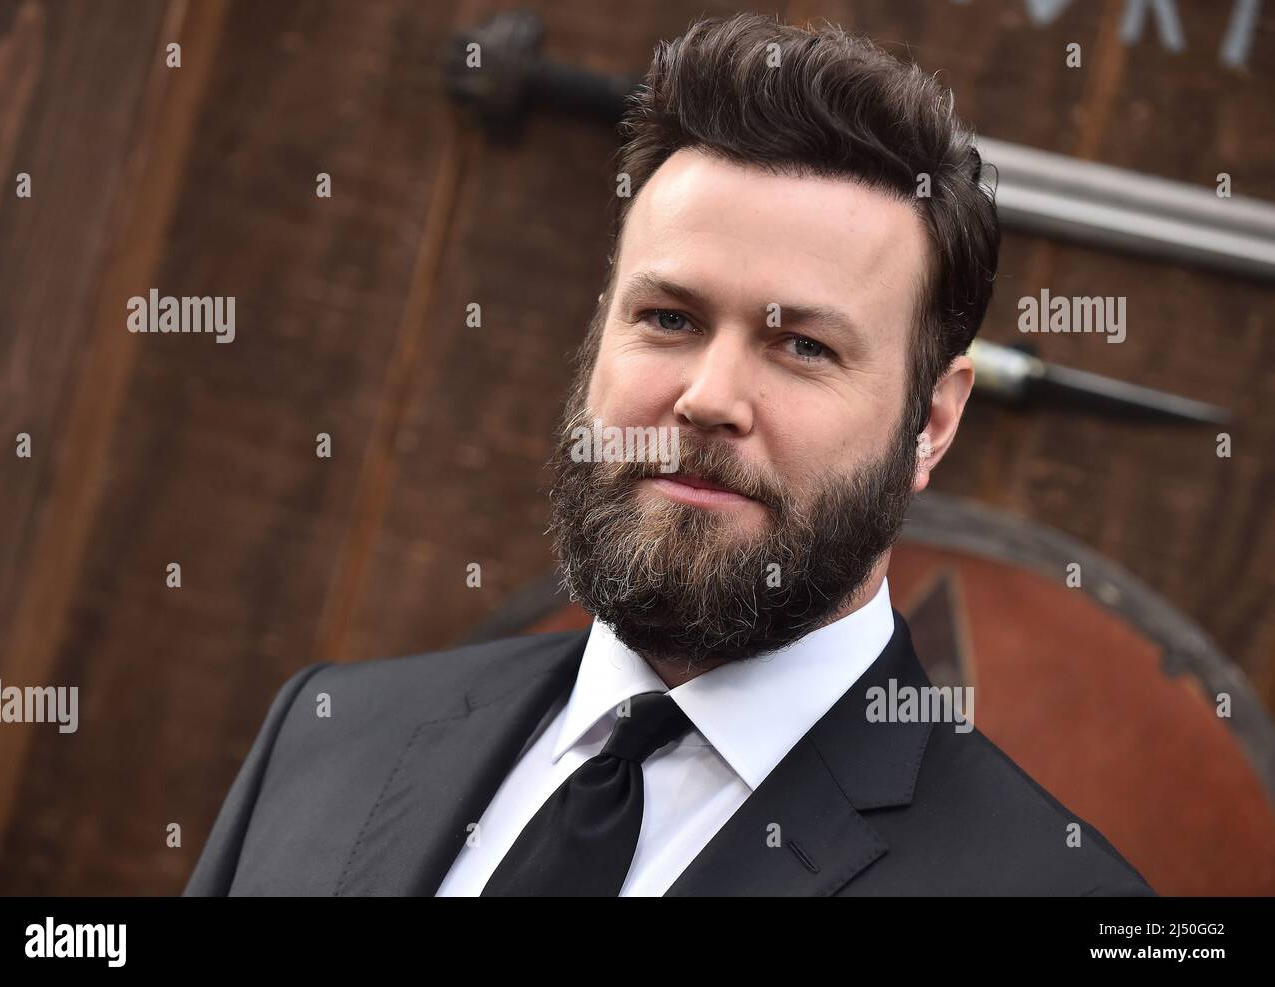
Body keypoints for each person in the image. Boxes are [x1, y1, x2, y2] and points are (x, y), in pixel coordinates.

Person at [185, 12, 1153, 896]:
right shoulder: (326, 738)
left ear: (931, 424)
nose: (707, 398)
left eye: (802, 347)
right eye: (668, 318)